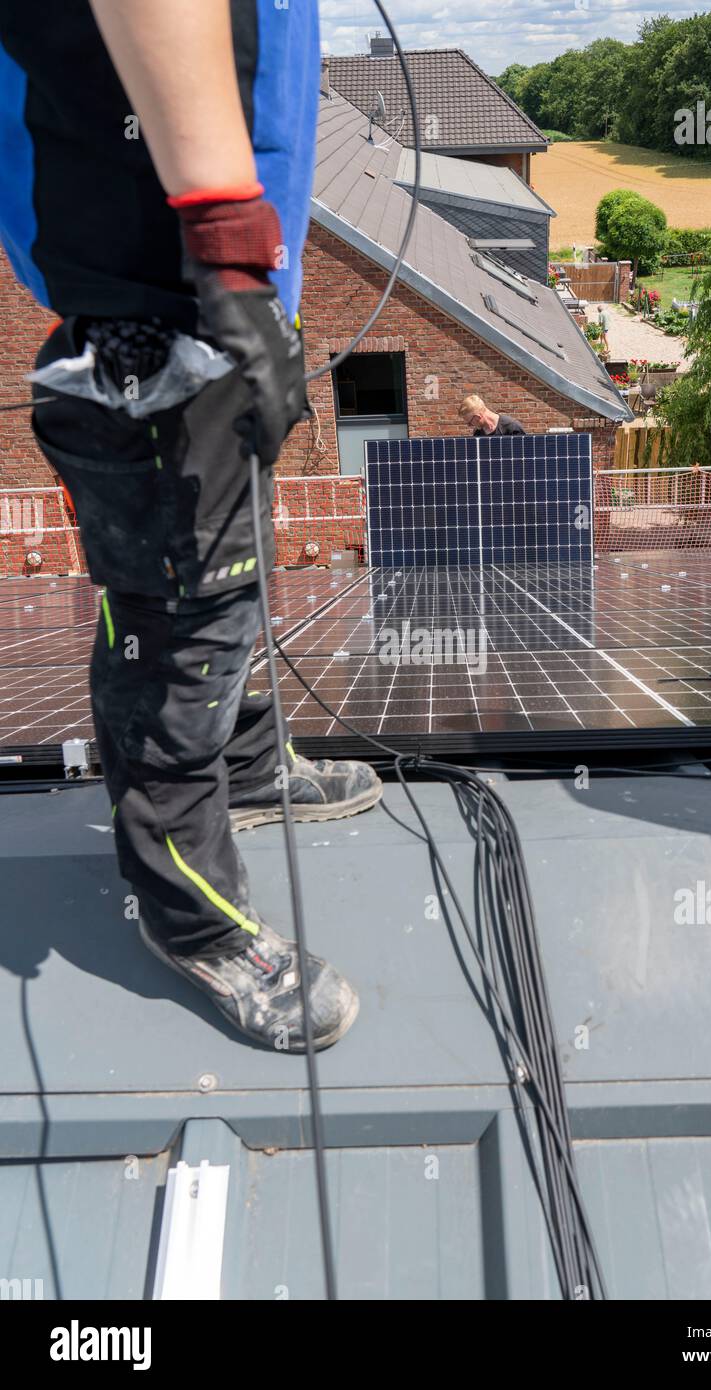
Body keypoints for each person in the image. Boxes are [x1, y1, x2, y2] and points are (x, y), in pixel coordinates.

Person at [0, 0, 379, 1052]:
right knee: (182, 608)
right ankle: (189, 915)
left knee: (231, 560)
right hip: (158, 269)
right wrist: (223, 245)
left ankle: (248, 768)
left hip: (216, 258)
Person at [458, 394, 527, 437]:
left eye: (470, 422)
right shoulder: (478, 433)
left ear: (478, 417)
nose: (470, 425)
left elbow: (525, 455)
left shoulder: (511, 427)